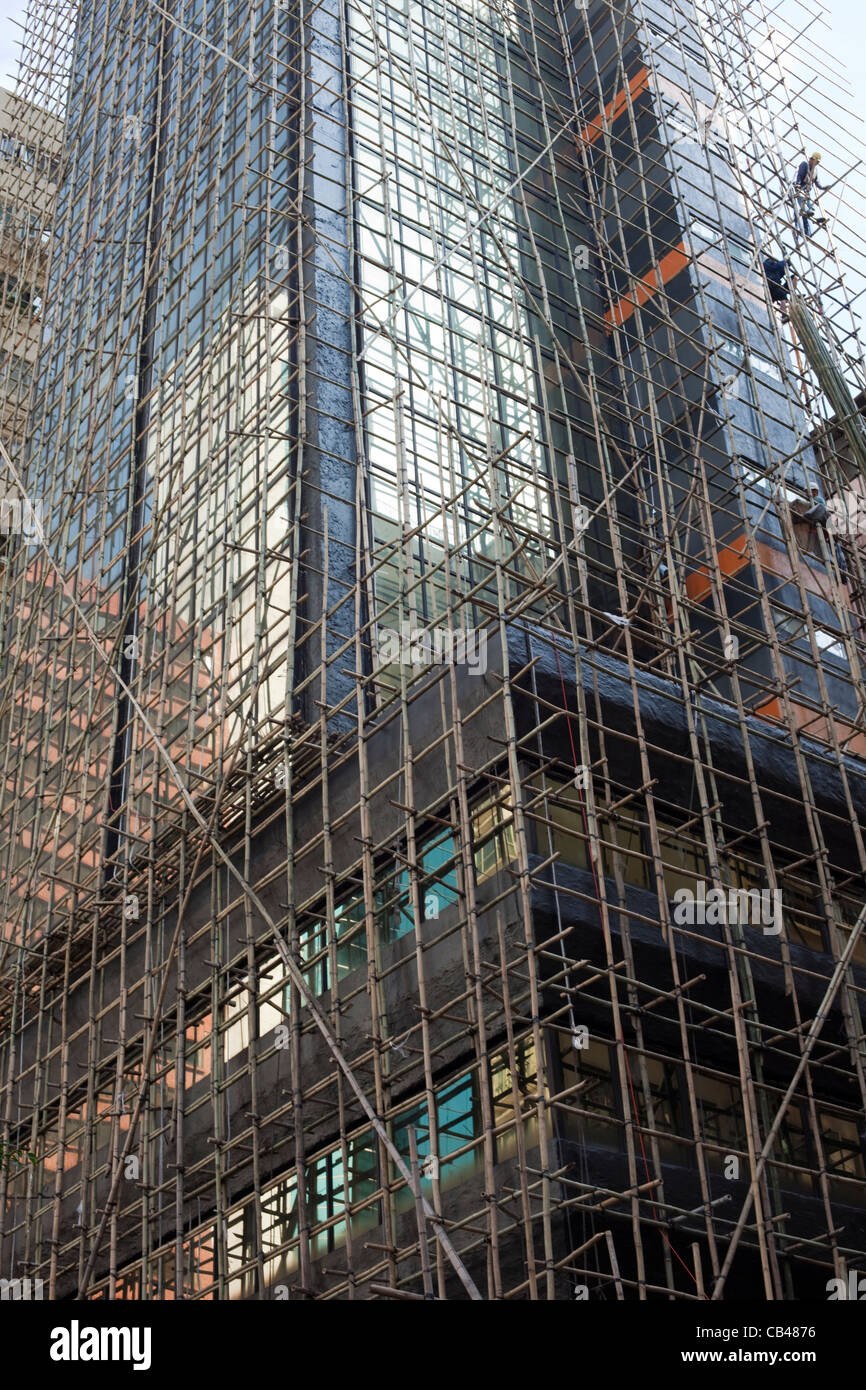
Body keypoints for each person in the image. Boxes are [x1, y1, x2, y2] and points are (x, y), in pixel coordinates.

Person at [793, 153, 826, 237]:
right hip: (801, 187)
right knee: (802, 201)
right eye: (815, 161)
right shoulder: (804, 164)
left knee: (810, 205)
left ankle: (813, 217)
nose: (816, 163)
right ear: (811, 159)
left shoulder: (815, 170)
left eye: (817, 162)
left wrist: (823, 188)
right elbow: (799, 175)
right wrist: (797, 185)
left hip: (808, 190)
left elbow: (817, 182)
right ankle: (807, 211)